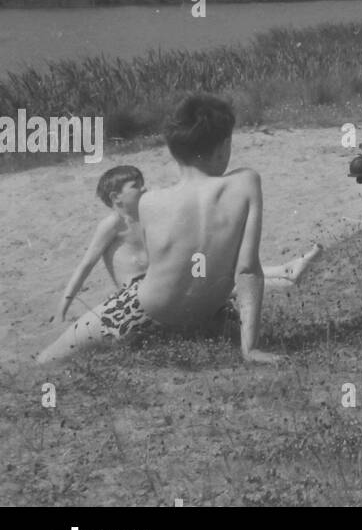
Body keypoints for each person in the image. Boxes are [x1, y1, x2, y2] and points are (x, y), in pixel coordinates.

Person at [38, 93, 304, 365]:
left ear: (173, 150)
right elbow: (247, 270)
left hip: (145, 312)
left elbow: (159, 269)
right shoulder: (246, 183)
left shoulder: (150, 202)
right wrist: (251, 348)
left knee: (50, 357)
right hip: (207, 313)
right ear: (224, 146)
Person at [54, 163, 321, 325]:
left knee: (212, 274)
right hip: (140, 293)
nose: (145, 190)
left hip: (162, 284)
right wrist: (63, 307)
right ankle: (284, 274)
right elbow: (85, 265)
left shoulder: (148, 217)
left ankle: (285, 272)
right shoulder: (112, 225)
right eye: (136, 187)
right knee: (210, 283)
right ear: (116, 197)